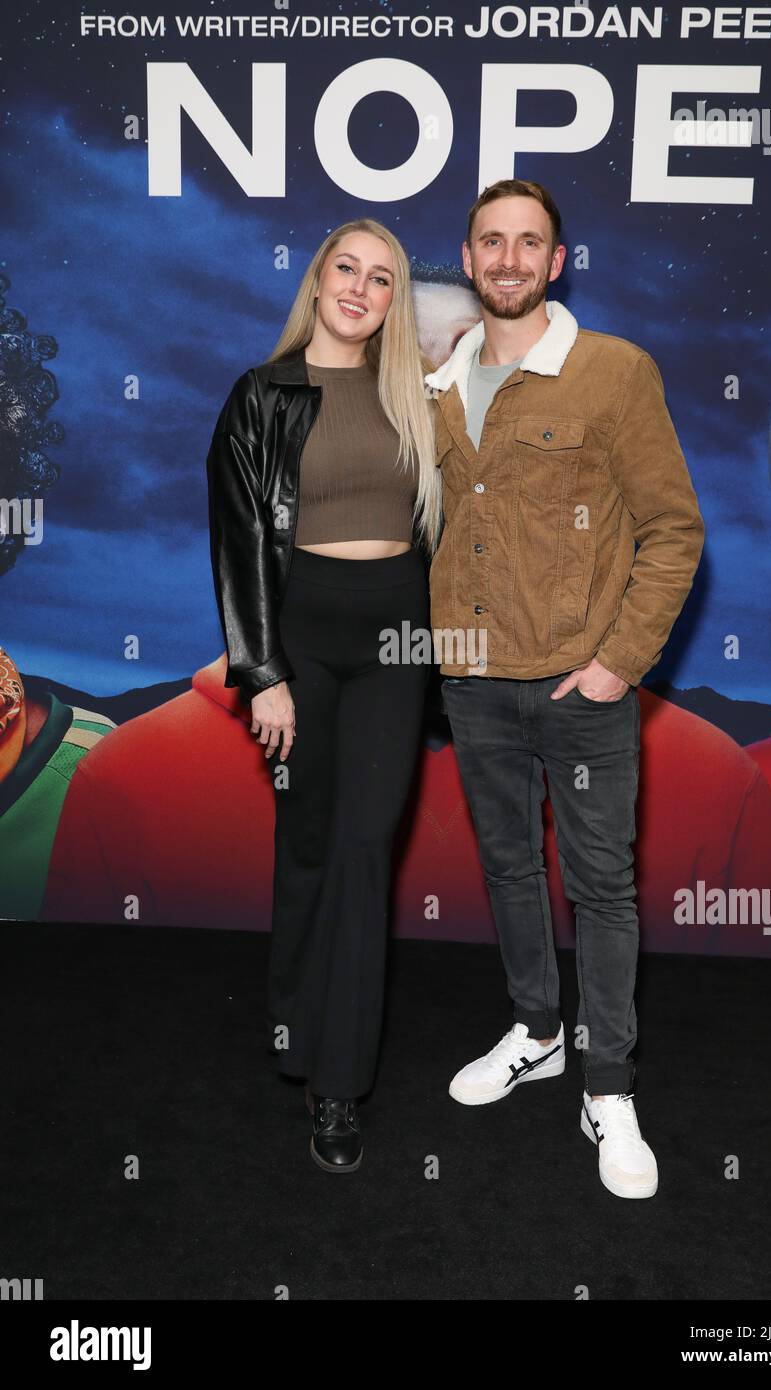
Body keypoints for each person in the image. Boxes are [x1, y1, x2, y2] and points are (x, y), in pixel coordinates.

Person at [425, 178, 705, 1199]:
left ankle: (609, 1084)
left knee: (599, 889)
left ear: (555, 262)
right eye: (488, 241)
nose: (506, 257)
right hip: (471, 682)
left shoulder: (610, 373)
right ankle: (536, 1031)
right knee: (507, 870)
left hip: (581, 688)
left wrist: (617, 663)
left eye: (527, 242)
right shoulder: (438, 382)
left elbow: (673, 529)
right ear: (466, 259)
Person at [205, 218, 441, 1172]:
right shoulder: (261, 397)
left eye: (382, 278)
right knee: (305, 843)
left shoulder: (415, 399)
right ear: (317, 281)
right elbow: (236, 542)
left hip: (396, 635)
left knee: (358, 845)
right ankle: (293, 1029)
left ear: (394, 302)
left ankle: (337, 1086)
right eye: (346, 268)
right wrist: (263, 674)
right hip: (299, 633)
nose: (361, 287)